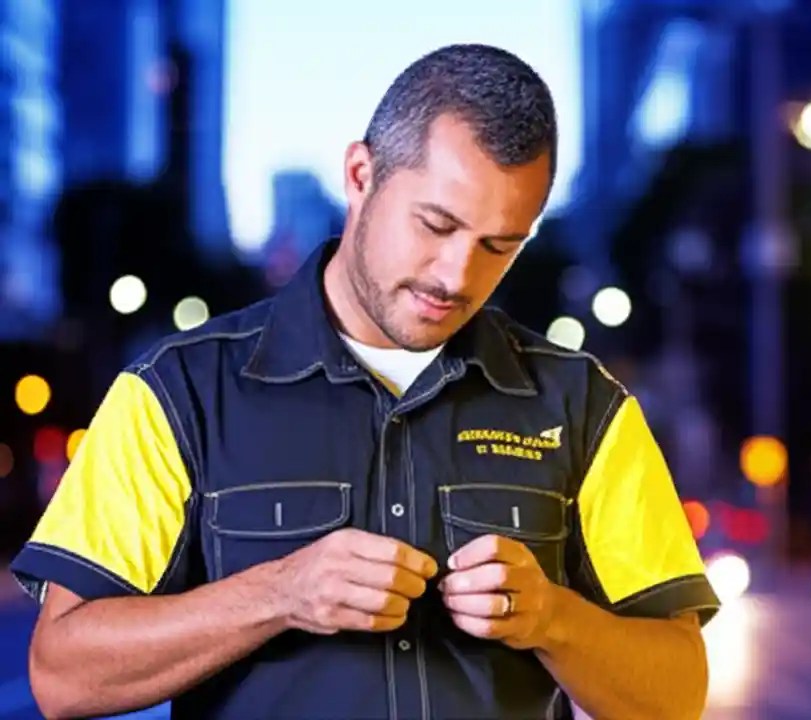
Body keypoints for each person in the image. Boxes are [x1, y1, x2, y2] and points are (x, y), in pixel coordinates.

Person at [14, 43, 719, 720]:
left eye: (497, 246)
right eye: (435, 224)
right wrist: (279, 594)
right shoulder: (175, 394)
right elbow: (61, 674)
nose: (456, 274)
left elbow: (677, 694)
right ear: (360, 175)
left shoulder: (586, 407)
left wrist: (555, 619)